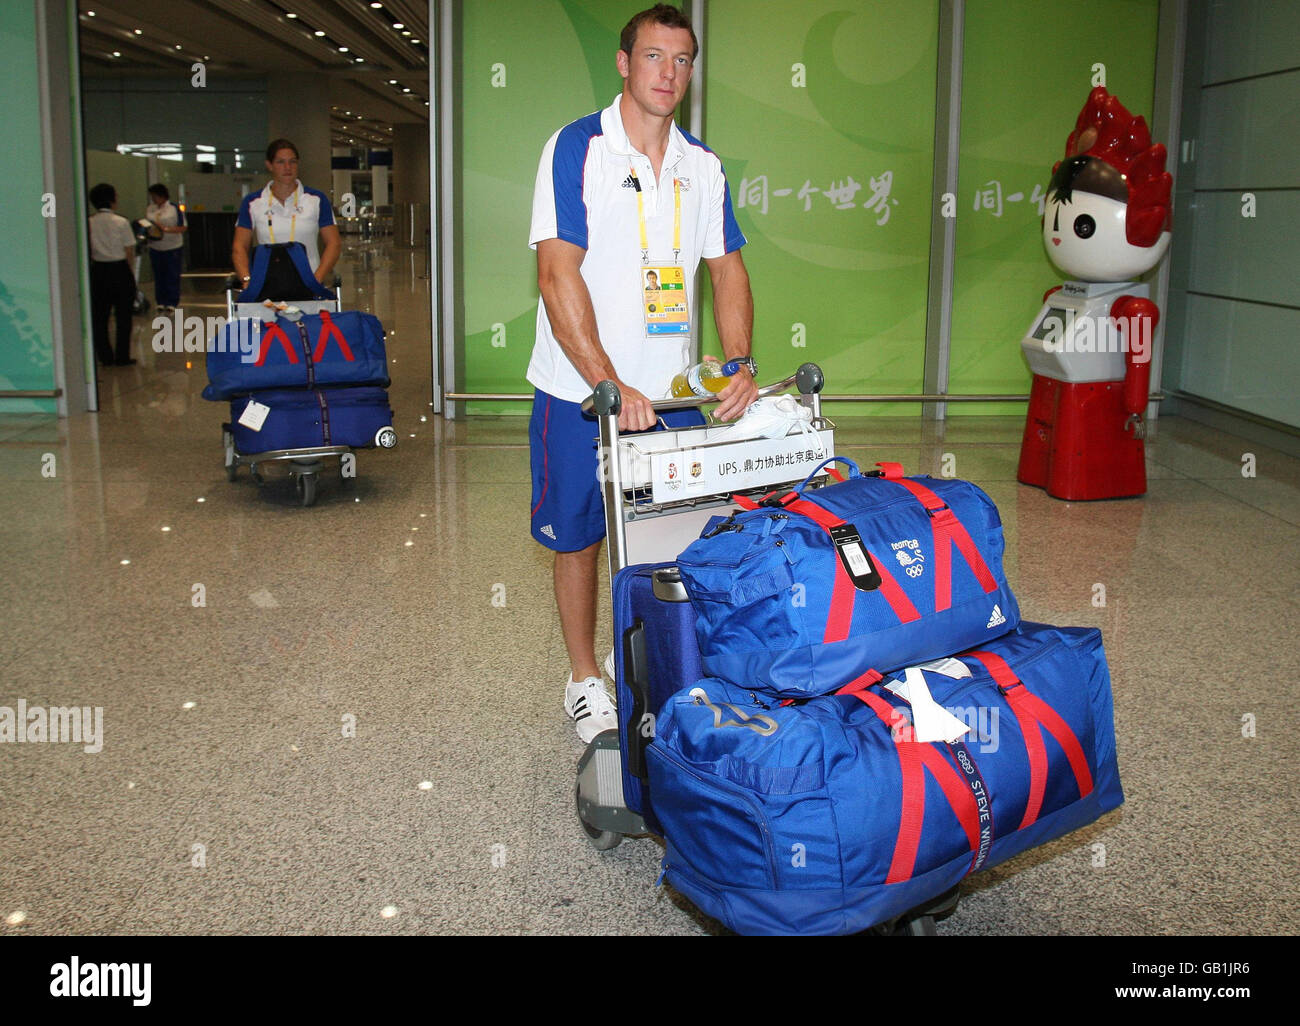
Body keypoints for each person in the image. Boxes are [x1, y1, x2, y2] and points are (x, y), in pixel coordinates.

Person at [527, 4, 758, 742]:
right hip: (580, 391)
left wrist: (741, 365)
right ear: (625, 64)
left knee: (676, 533)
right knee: (579, 535)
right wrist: (606, 381)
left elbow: (728, 272)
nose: (669, 73)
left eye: (682, 60)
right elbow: (556, 273)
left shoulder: (703, 165)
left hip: (671, 391)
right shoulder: (577, 148)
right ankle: (584, 679)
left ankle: (670, 665)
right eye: (654, 57)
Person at [231, 138, 341, 291]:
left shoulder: (316, 199)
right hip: (266, 284)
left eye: (293, 162)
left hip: (308, 283)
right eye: (280, 162)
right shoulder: (253, 202)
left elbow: (334, 243)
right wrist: (247, 280)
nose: (287, 167)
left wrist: (317, 278)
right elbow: (239, 246)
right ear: (269, 165)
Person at [87, 183, 138, 366]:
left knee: (100, 316)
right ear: (111, 200)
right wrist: (130, 272)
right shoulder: (121, 222)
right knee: (123, 316)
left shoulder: (89, 222)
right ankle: (122, 356)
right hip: (119, 269)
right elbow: (129, 250)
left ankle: (105, 356)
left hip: (98, 271)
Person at [144, 183, 186, 312]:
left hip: (172, 246)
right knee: (159, 274)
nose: (154, 199)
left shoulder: (174, 208)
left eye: (155, 196)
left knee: (172, 274)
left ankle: (172, 301)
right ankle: (160, 301)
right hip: (155, 246)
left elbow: (183, 227)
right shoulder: (150, 208)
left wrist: (165, 229)